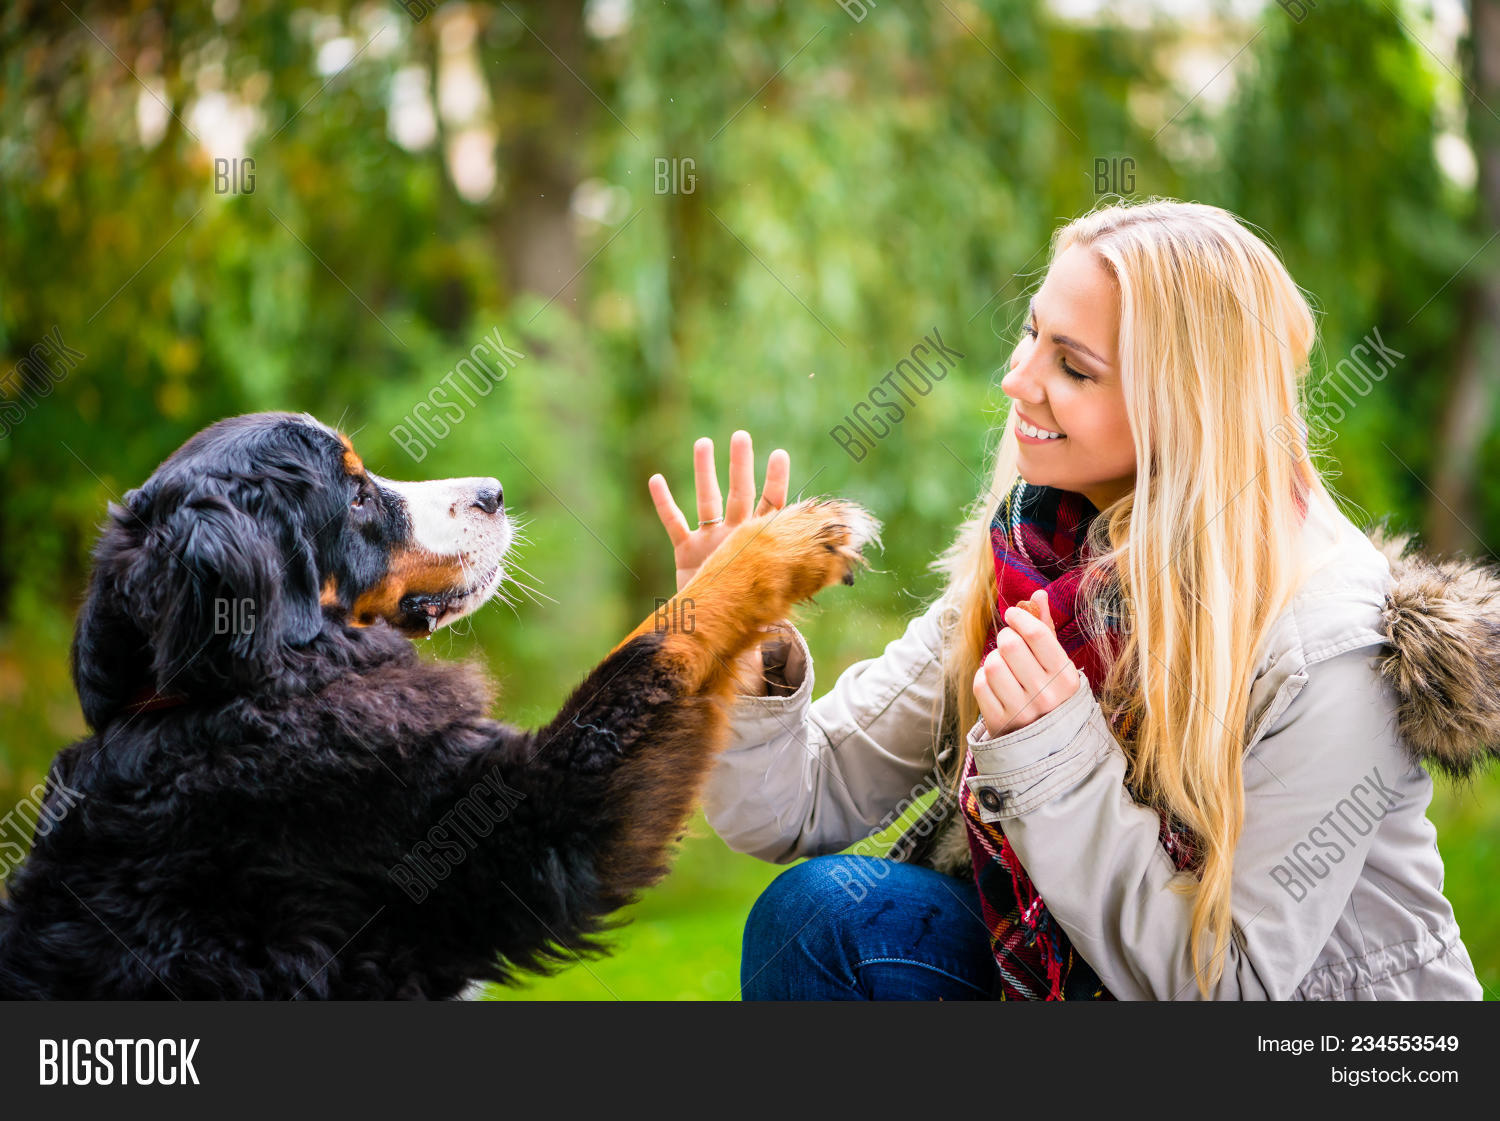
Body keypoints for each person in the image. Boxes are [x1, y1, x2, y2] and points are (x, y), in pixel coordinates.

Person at [647, 199, 1492, 1000]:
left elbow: (1231, 987)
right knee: (823, 918)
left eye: (1072, 366)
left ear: (1185, 408)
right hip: (1084, 981)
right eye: (1031, 333)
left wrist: (1053, 756)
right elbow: (801, 801)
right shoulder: (1042, 551)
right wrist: (741, 637)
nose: (1017, 379)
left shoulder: (1328, 643)